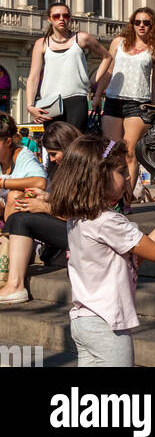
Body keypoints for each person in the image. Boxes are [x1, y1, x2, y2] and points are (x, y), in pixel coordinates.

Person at [49, 136, 155, 367]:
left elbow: (136, 250)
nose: (128, 176)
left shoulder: (81, 219)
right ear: (98, 176)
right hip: (107, 324)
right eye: (120, 171)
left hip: (85, 321)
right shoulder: (108, 221)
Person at [0, 120, 81, 305]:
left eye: (53, 154)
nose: (51, 159)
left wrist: (45, 207)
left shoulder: (83, 171)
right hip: (72, 227)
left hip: (83, 232)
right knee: (20, 213)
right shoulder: (65, 169)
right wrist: (45, 198)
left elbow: (86, 213)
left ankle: (14, 284)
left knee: (20, 219)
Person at [94, 7, 155, 193]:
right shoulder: (118, 42)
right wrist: (96, 96)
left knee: (129, 152)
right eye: (138, 22)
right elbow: (108, 72)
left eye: (146, 23)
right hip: (112, 100)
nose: (141, 26)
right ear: (132, 24)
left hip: (138, 103)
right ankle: (111, 194)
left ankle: (126, 199)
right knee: (110, 151)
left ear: (152, 26)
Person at [25, 3, 111, 132]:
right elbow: (33, 77)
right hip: (50, 101)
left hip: (76, 98)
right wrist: (30, 105)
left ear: (69, 18)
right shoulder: (41, 43)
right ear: (49, 19)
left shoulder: (82, 38)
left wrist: (94, 79)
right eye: (56, 16)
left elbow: (107, 57)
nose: (61, 19)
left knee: (75, 144)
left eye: (65, 15)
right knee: (54, 144)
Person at [0, 112, 47, 229]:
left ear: (8, 142)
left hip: (35, 210)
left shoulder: (23, 155)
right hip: (6, 209)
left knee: (15, 195)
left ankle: (9, 239)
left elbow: (40, 182)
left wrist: (2, 183)